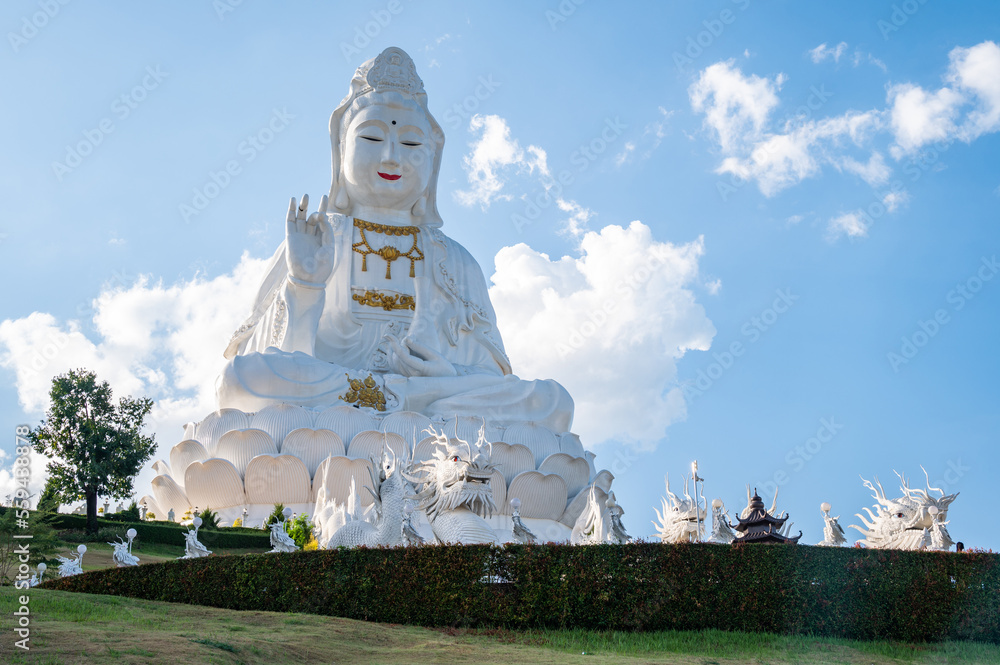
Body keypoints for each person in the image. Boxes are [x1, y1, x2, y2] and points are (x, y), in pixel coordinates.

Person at [217, 47, 572, 432]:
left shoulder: (455, 260)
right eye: (371, 137)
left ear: (433, 159)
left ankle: (401, 402)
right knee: (243, 377)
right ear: (340, 149)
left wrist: (445, 371)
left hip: (428, 399)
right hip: (345, 398)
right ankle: (398, 403)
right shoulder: (317, 237)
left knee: (550, 401)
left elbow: (490, 376)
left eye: (411, 144)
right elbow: (284, 360)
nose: (391, 157)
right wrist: (304, 286)